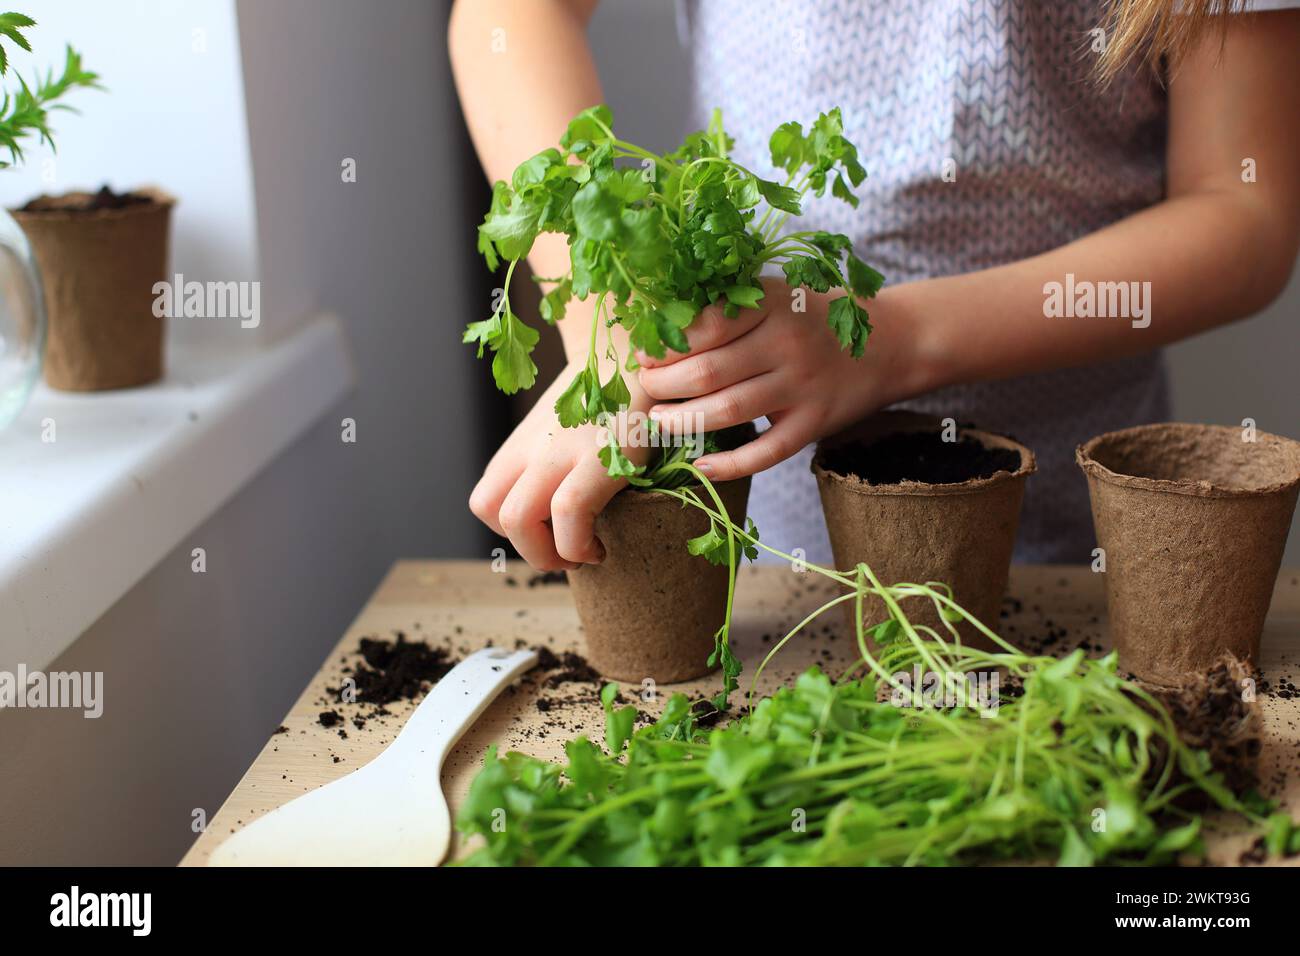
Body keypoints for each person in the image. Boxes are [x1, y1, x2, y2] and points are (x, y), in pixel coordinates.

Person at [448, 0, 1300, 571]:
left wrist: (895, 338)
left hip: (1078, 525)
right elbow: (512, 15)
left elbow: (1243, 212)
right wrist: (613, 332)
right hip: (758, 511)